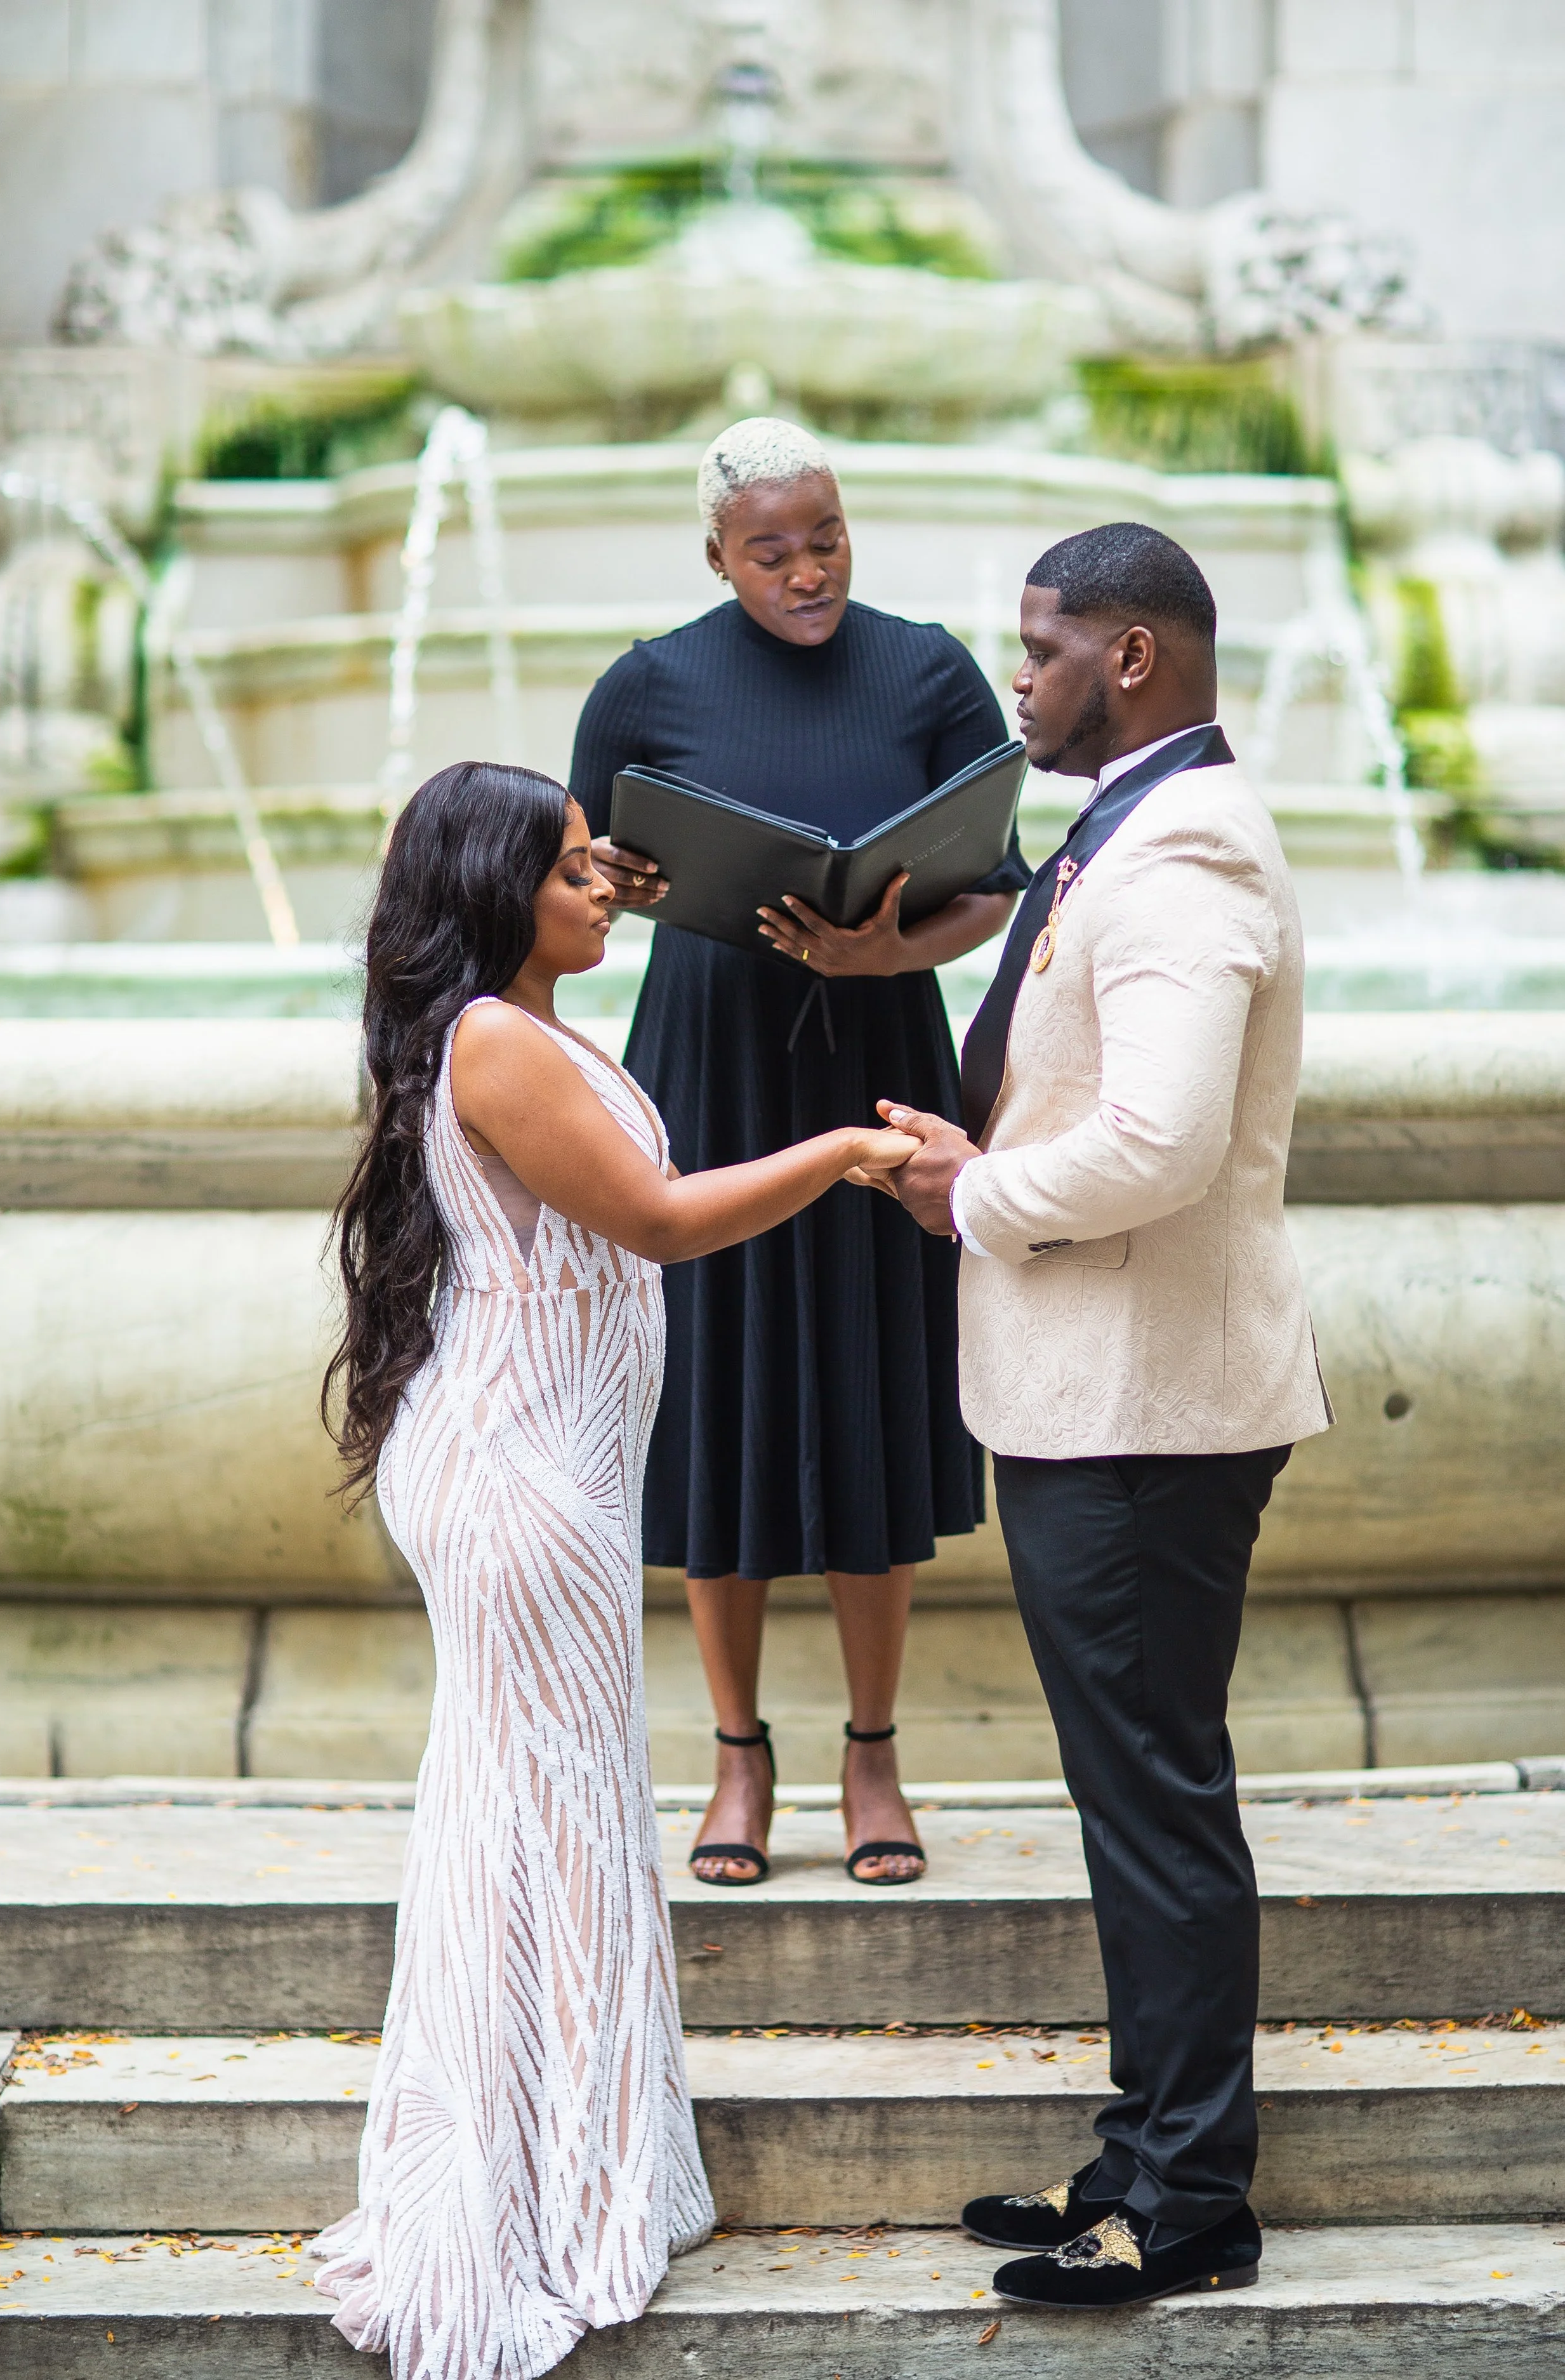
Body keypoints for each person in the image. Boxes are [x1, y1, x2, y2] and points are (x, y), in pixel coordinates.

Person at [311, 760, 920, 2379]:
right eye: (576, 865)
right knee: (538, 1813)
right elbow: (649, 1217)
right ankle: (516, 2197)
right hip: (517, 1478)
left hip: (545, 1467)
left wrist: (596, 899)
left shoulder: (515, 1018)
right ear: (495, 889)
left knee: (546, 1804)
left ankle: (576, 2165)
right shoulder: (502, 1041)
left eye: (606, 862)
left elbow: (598, 1170)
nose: (607, 881)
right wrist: (843, 1156)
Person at [858, 523, 1333, 2308]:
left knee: (1153, 1796)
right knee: (1133, 1788)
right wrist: (981, 1153)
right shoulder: (1130, 819)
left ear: (1130, 656)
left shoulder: (1186, 844)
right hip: (1105, 1398)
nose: (1018, 677)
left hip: (1146, 1414)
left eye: (1040, 646)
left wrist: (974, 1197)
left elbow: (1162, 1141)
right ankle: (1143, 2147)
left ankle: (1191, 2197)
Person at [570, 416, 1029, 1887]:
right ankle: (734, 1760)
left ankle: (874, 1756)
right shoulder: (647, 682)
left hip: (880, 1058)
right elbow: (580, 877)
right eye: (770, 549)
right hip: (704, 1067)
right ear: (717, 555)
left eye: (824, 537)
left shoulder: (926, 669)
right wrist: (625, 880)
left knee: (867, 1390)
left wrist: (887, 949)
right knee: (718, 1399)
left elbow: (994, 892)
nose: (806, 568)